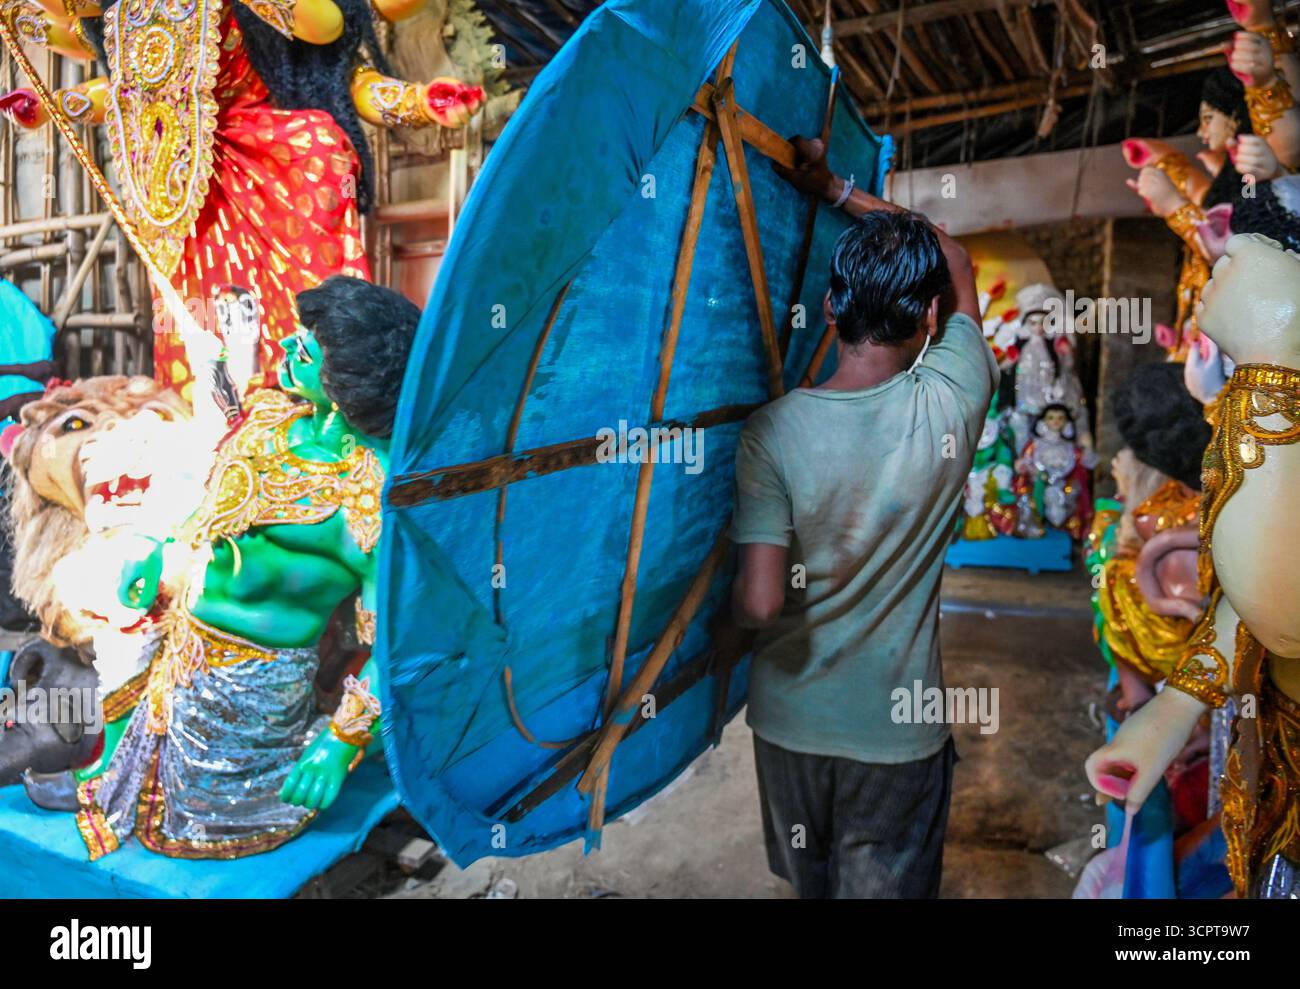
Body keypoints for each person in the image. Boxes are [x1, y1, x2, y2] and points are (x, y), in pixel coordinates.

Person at [719, 137, 997, 898]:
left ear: (832, 306)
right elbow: (953, 250)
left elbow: (762, 601)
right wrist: (839, 189)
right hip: (895, 733)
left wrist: (721, 628)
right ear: (932, 316)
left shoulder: (770, 431)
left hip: (787, 724)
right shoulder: (955, 394)